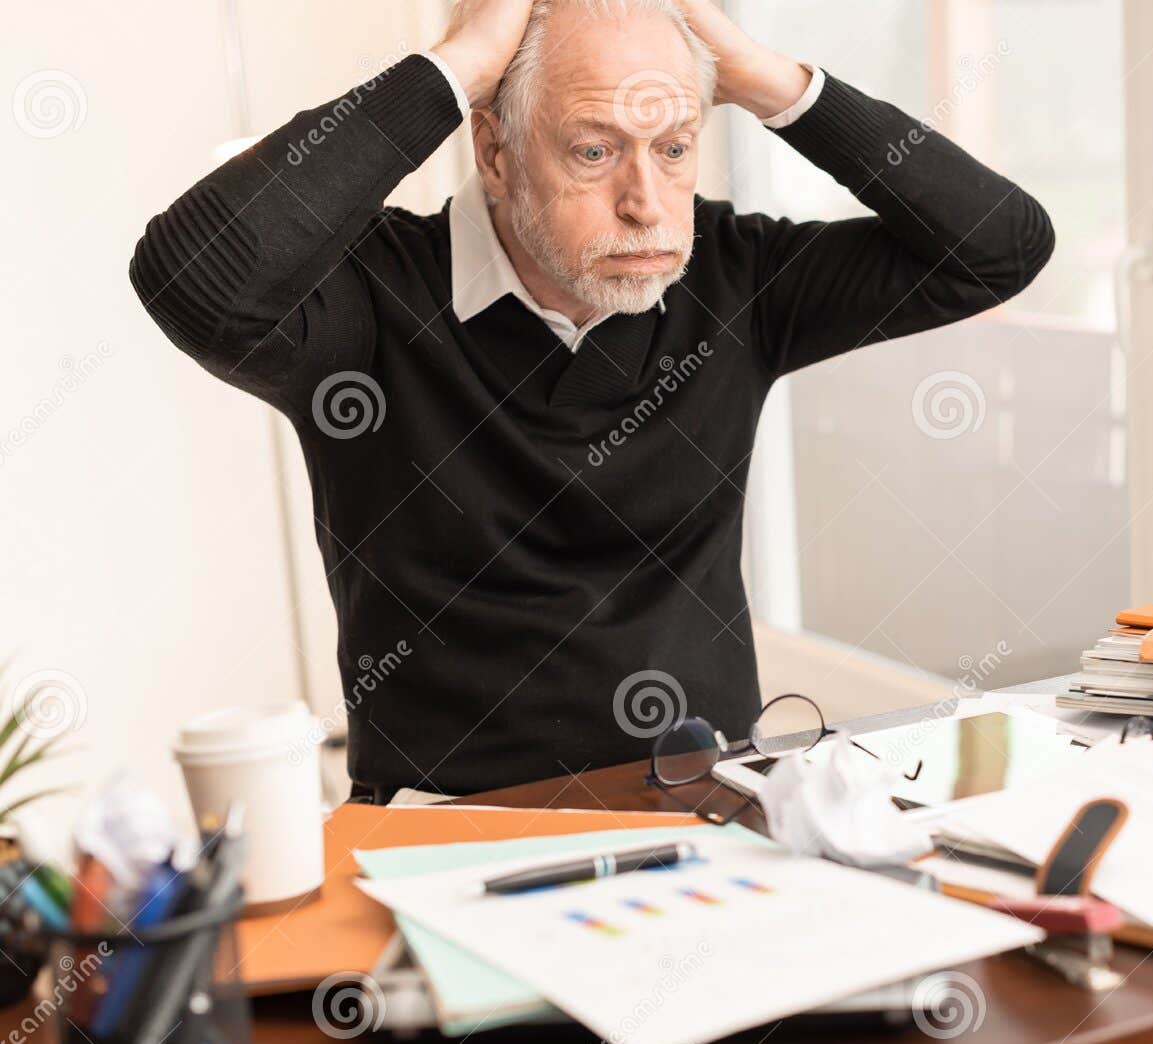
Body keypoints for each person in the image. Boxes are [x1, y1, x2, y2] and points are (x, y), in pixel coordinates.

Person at [130, 0, 1055, 801]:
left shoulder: (736, 277)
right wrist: (453, 70)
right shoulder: (369, 298)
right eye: (594, 150)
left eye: (674, 147)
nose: (647, 203)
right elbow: (191, 277)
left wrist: (771, 81)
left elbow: (999, 247)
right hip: (445, 828)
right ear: (494, 153)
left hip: (706, 809)